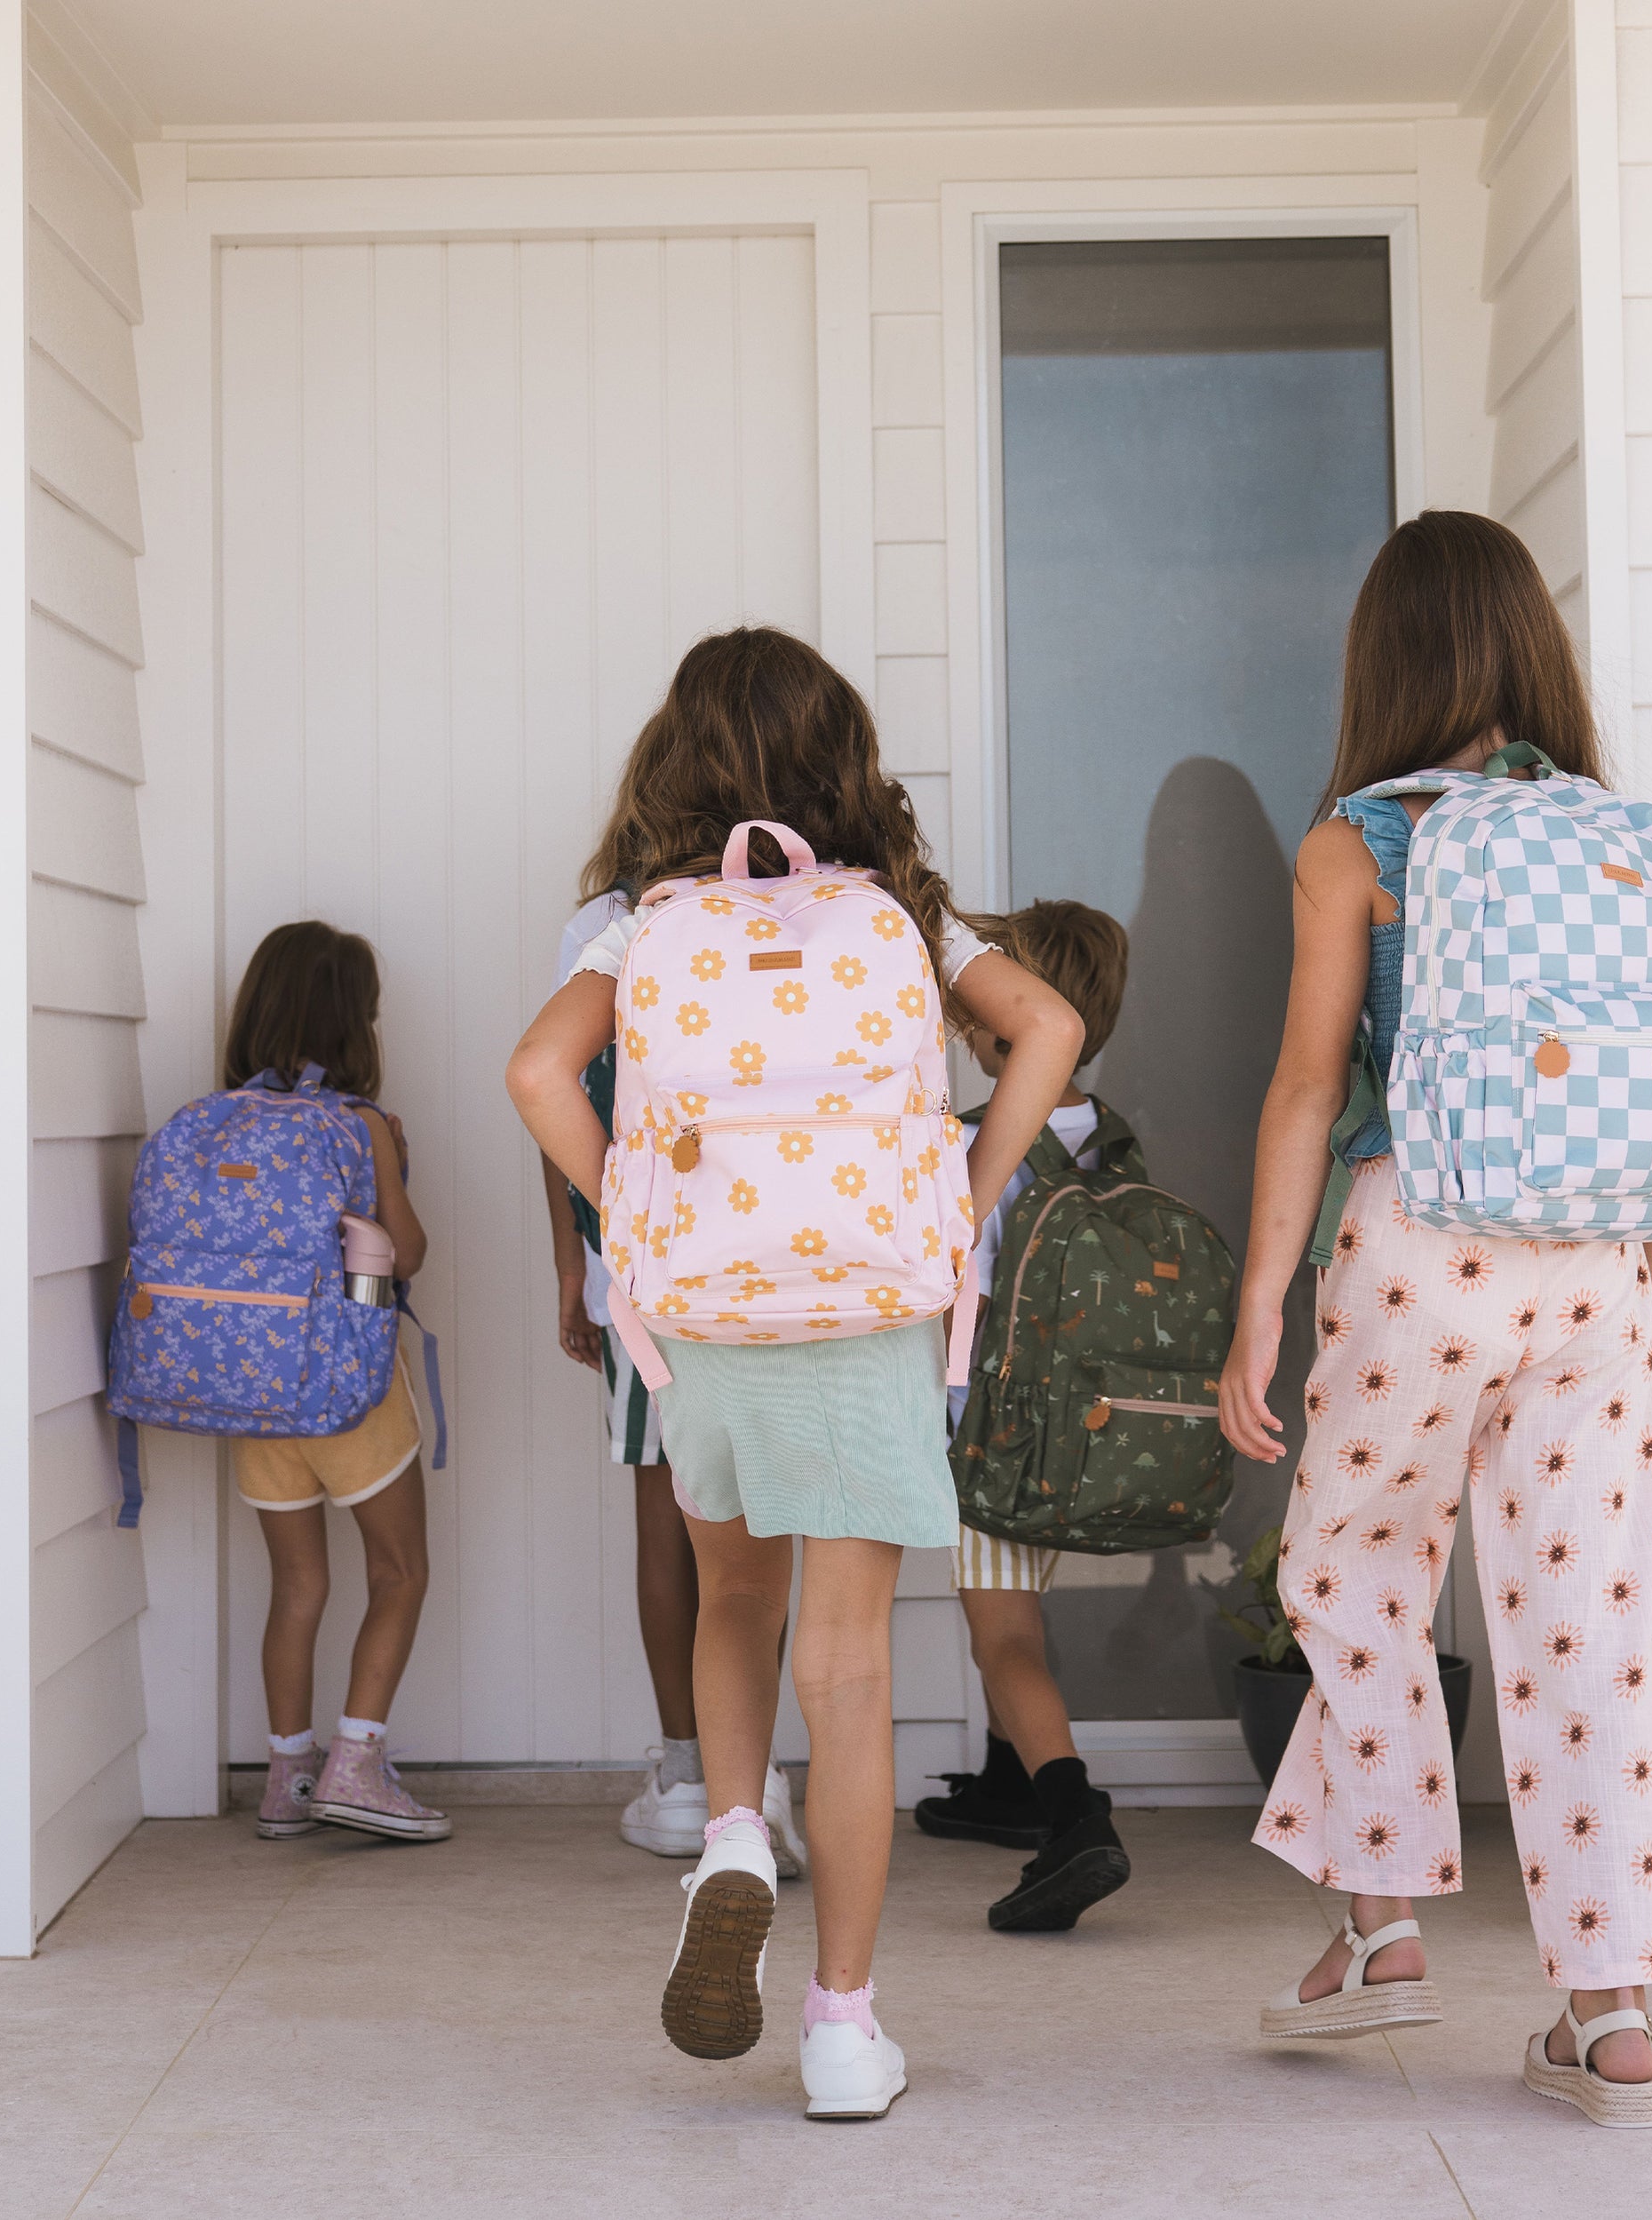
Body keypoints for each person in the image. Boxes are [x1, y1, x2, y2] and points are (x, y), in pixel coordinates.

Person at [507, 627, 1082, 2120]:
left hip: (708, 1308)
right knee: (850, 1663)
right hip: (870, 1307)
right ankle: (839, 2027)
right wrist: (967, 1178)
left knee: (733, 1604)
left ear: (675, 761)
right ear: (844, 755)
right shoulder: (901, 910)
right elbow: (1050, 1024)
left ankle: (733, 1837)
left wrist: (627, 1205)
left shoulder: (643, 919)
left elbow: (530, 1073)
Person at [1216, 512, 1652, 2129]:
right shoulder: (1615, 829)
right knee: (1581, 1615)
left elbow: (1302, 1083)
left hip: (1418, 1233)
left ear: (1387, 658)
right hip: (1597, 1261)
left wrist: (1258, 1304)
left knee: (1350, 1565)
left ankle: (1382, 1921)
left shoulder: (1358, 838)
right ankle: (1609, 2010)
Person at [544, 889, 806, 1874]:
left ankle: (695, 1776)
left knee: (673, 1514)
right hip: (809, 1264)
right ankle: (761, 1782)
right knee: (764, 1529)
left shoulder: (615, 919)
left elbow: (560, 1083)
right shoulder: (824, 897)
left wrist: (581, 1264)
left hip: (654, 1270)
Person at [914, 899, 1133, 1931]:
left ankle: (1072, 1819)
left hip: (988, 1426)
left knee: (1003, 1638)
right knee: (1013, 1610)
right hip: (1080, 1430)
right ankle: (1008, 1786)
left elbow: (931, 1270)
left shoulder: (975, 1147)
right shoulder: (1117, 1143)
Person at [230, 923, 450, 1846]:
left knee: (297, 1587)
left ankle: (287, 1776)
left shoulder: (222, 1120)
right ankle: (356, 1765)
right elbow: (406, 1253)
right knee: (400, 1572)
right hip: (348, 1390)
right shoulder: (358, 1127)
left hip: (250, 1392)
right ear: (353, 1023)